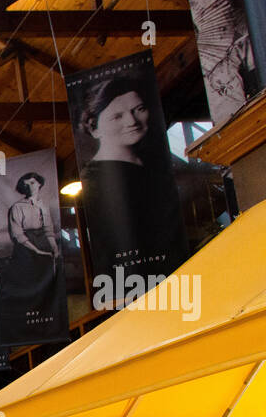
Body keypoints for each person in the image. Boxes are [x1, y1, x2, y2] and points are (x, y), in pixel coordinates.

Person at [76, 76, 188, 289]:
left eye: (138, 109)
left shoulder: (155, 166)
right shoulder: (96, 182)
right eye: (117, 116)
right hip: (138, 288)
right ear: (94, 127)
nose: (132, 121)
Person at [1, 171, 64, 339]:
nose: (30, 187)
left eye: (33, 183)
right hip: (25, 248)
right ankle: (30, 327)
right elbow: (17, 235)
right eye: (26, 184)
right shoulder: (17, 207)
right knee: (29, 281)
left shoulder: (43, 205)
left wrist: (54, 248)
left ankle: (50, 320)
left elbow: (48, 230)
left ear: (39, 185)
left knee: (50, 278)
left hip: (42, 243)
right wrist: (35, 250)